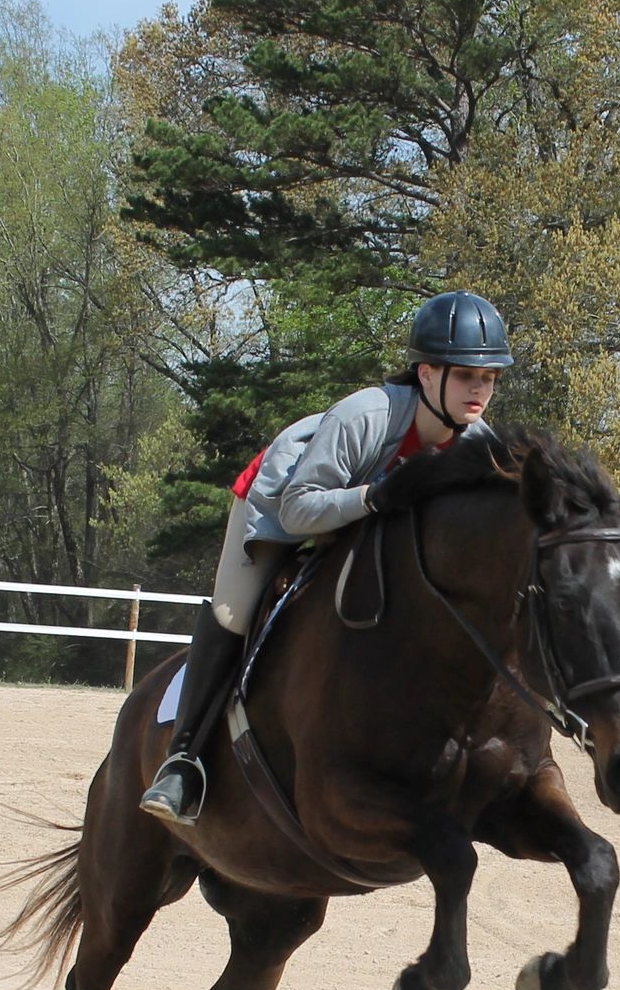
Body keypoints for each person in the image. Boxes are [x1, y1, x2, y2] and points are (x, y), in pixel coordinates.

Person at [140, 291, 514, 825]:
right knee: (233, 613)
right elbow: (298, 510)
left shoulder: (481, 447)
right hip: (280, 504)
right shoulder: (367, 416)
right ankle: (183, 762)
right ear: (427, 374)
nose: (479, 390)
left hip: (361, 526)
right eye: (466, 376)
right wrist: (374, 497)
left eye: (489, 378)